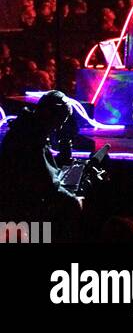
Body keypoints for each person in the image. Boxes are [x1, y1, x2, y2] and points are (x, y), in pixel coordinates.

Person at [0, 91, 83, 235]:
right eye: (60, 121)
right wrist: (74, 200)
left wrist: (64, 158)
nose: (59, 128)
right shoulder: (32, 139)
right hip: (22, 216)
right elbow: (48, 186)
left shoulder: (26, 129)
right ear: (51, 115)